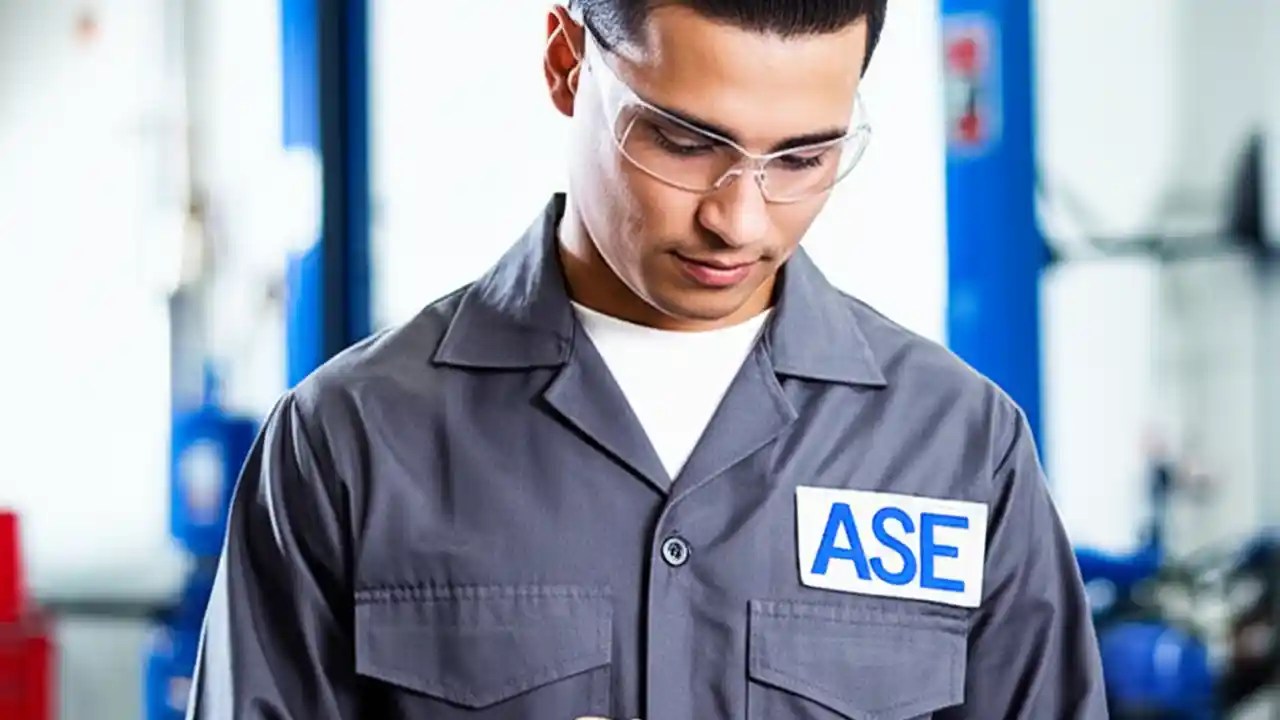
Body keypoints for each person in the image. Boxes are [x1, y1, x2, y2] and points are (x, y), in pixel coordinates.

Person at [188, 1, 1108, 718]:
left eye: (801, 159)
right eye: (685, 141)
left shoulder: (956, 449)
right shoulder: (350, 442)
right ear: (566, 61)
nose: (738, 220)